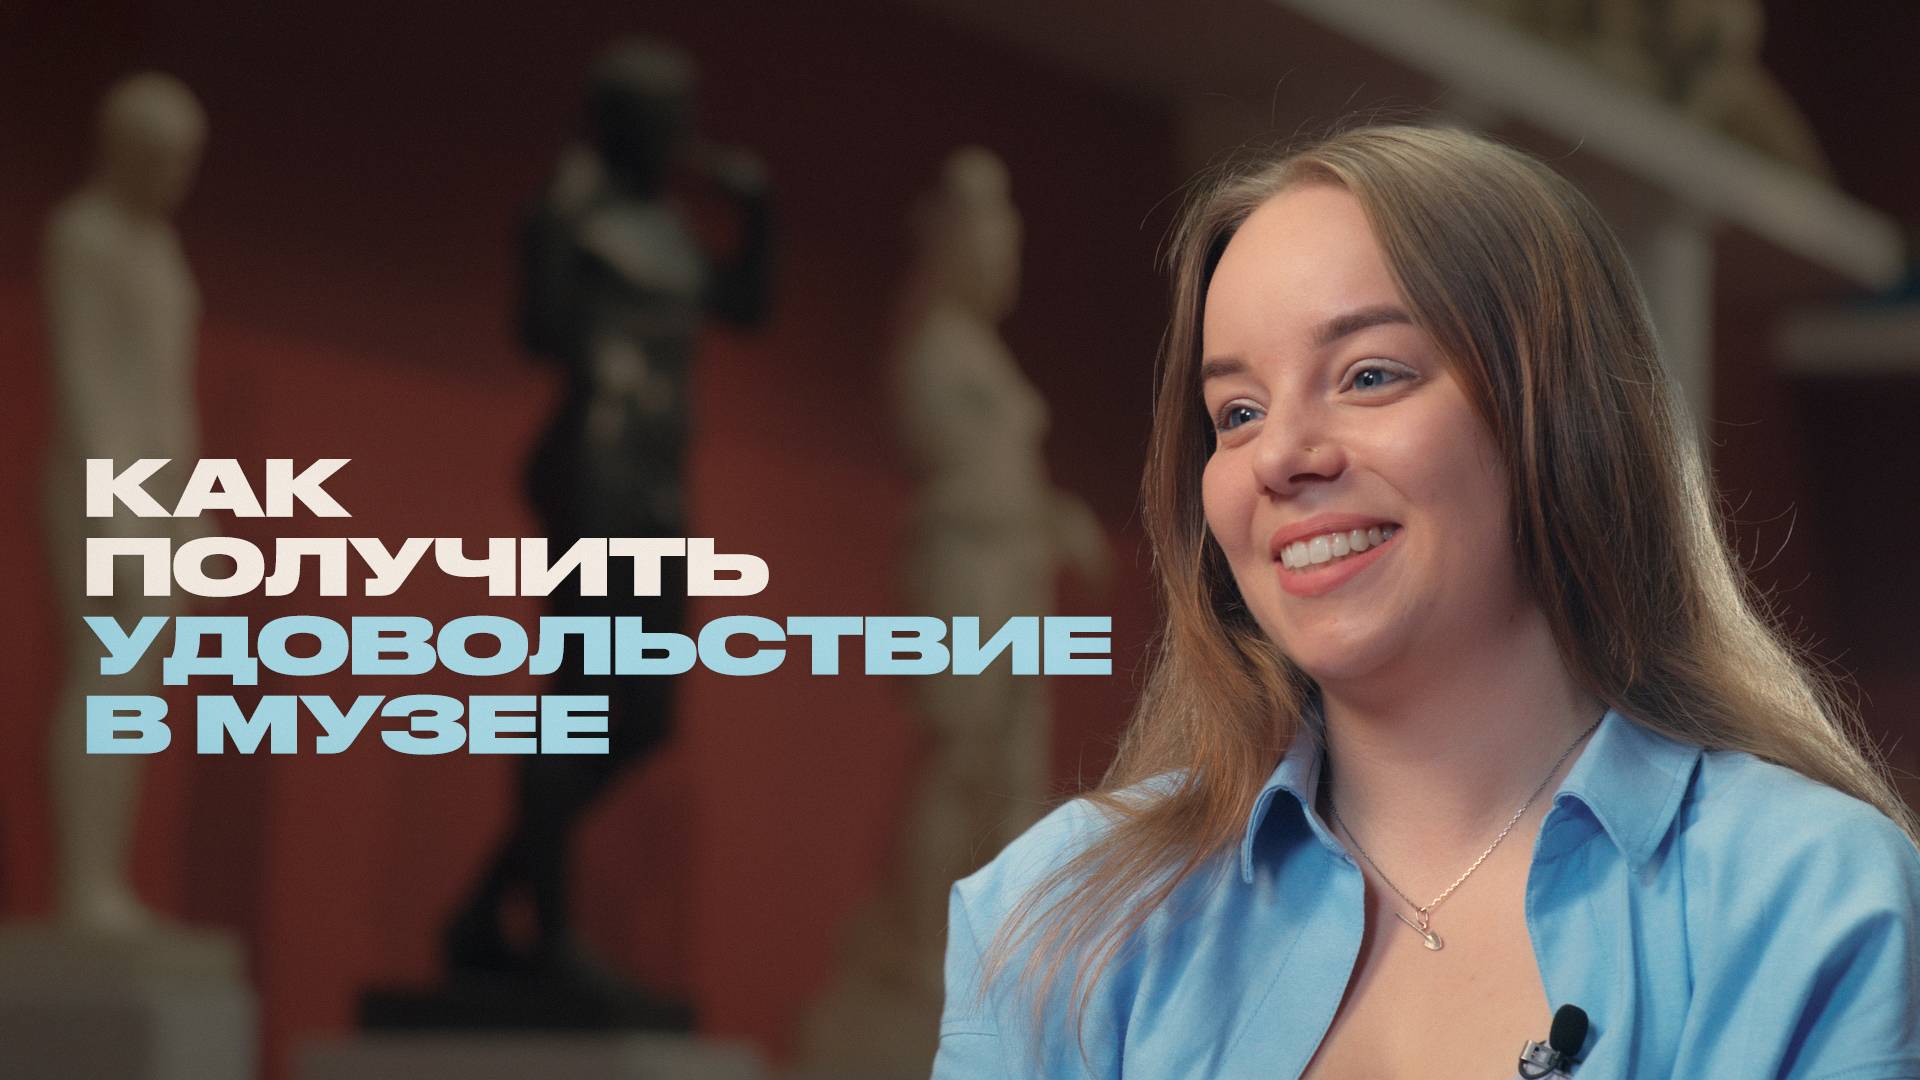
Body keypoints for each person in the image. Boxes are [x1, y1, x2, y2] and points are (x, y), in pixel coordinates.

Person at [931, 123, 1920, 1079]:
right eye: (1237, 412)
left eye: (1369, 375)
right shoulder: (1052, 920)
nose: (1279, 456)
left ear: (1555, 414)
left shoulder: (1810, 900)